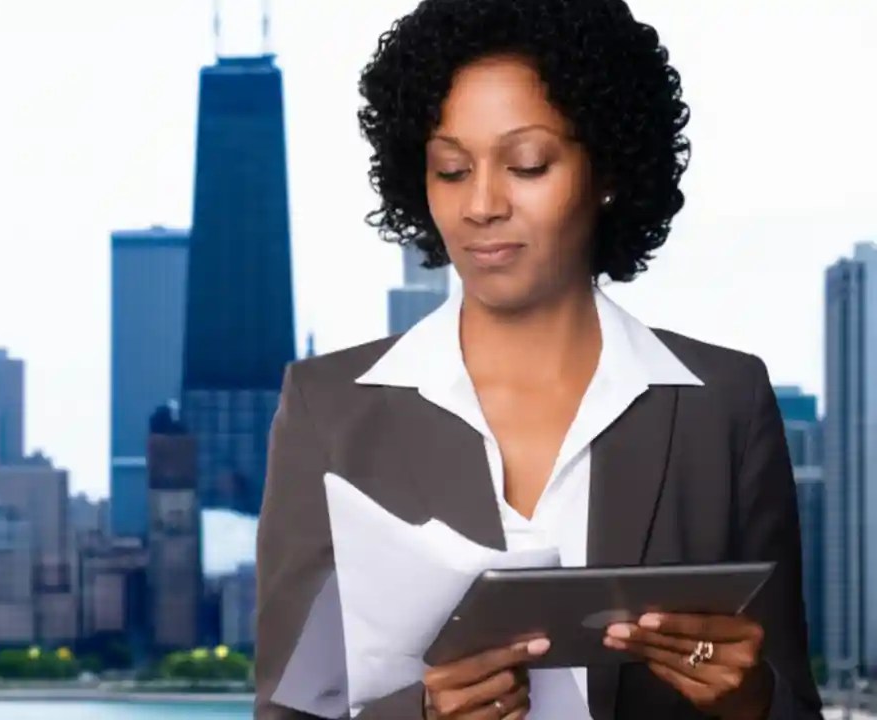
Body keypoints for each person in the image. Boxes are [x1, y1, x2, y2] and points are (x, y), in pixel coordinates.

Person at [253, 0, 823, 718]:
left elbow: (792, 701)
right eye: (452, 170)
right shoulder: (329, 408)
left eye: (527, 164)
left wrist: (748, 698)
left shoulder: (722, 404)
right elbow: (292, 710)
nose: (482, 205)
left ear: (607, 169)